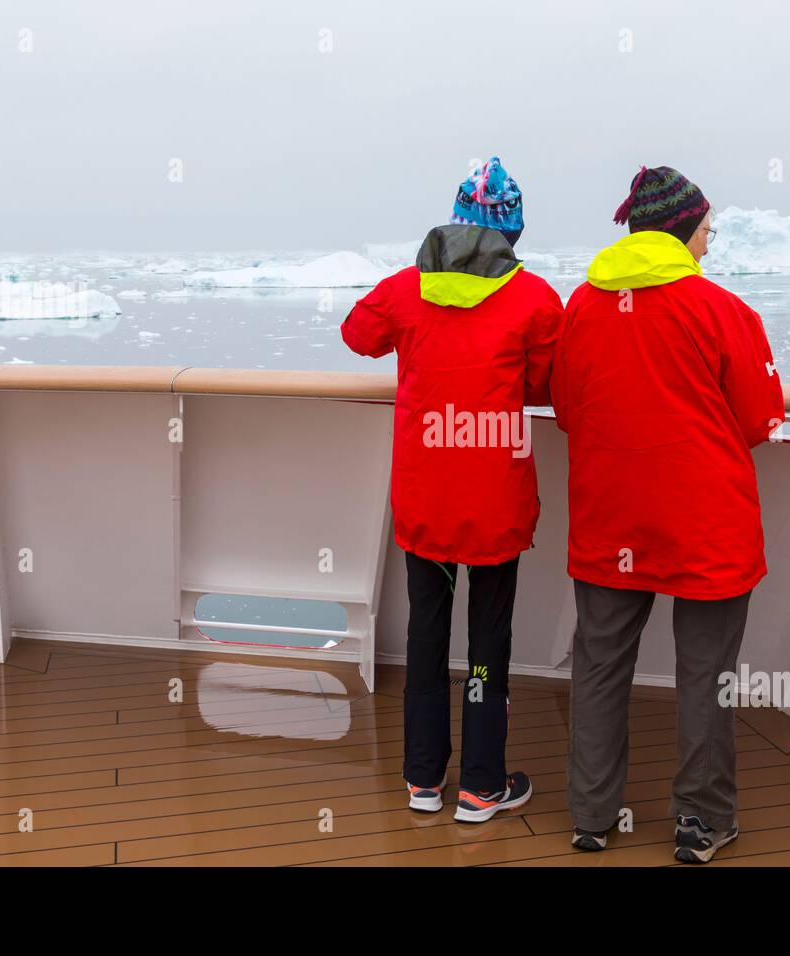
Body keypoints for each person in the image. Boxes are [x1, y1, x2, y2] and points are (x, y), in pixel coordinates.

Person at [550, 165, 785, 861]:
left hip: (609, 515)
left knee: (598, 664)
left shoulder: (583, 308)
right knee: (705, 672)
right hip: (704, 519)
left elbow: (567, 408)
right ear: (684, 231)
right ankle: (700, 821)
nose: (711, 244)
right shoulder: (724, 312)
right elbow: (760, 417)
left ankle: (591, 816)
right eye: (708, 230)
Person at [341, 157, 565, 822]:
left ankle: (421, 780)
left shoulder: (407, 289)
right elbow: (547, 384)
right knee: (488, 642)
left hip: (424, 496)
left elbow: (358, 334)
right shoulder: (534, 299)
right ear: (512, 233)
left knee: (426, 637)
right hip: (494, 497)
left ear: (453, 221)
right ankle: (481, 785)